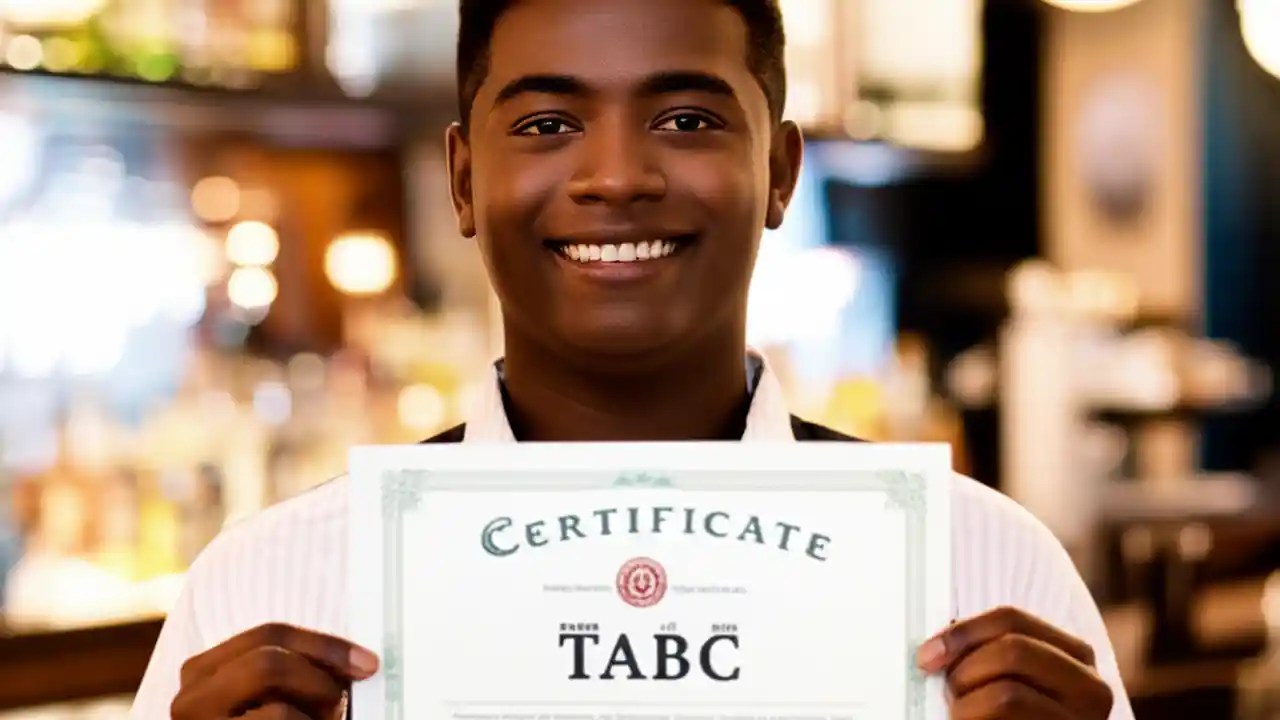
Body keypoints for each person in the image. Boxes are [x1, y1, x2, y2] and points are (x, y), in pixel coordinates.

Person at [133, 1, 1134, 718]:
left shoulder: (986, 573)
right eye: (546, 124)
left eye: (687, 120)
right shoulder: (266, 592)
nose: (615, 176)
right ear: (464, 177)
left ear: (778, 171)